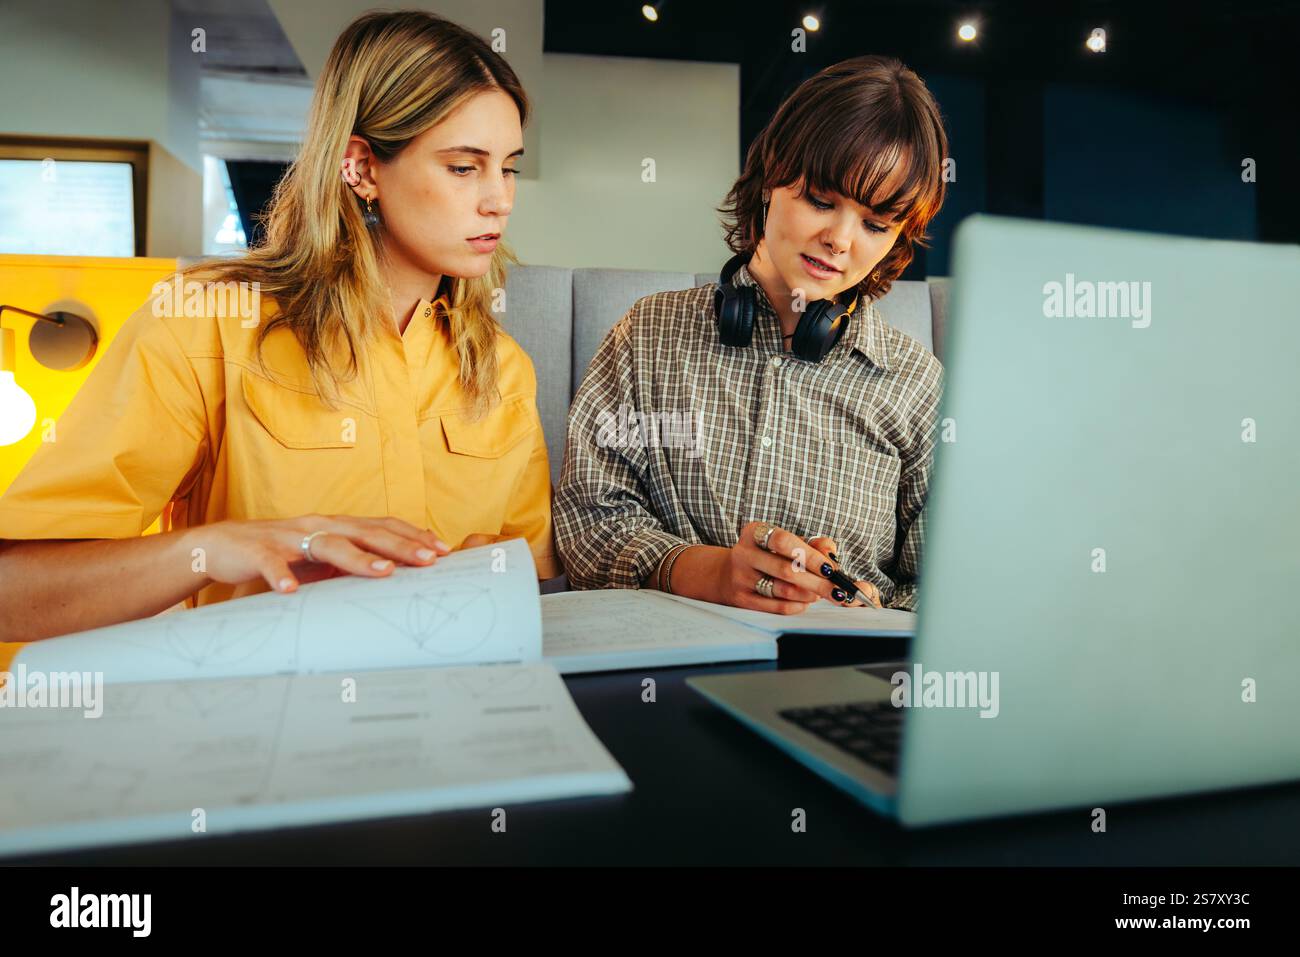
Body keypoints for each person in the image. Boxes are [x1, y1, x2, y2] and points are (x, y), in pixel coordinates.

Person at [0, 11, 557, 643]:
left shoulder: (504, 369)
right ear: (363, 168)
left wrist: (493, 574)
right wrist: (217, 547)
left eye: (507, 167)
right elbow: (14, 594)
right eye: (464, 167)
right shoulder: (206, 325)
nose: (500, 199)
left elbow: (529, 583)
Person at [554, 55, 948, 615]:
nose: (840, 238)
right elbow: (587, 522)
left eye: (875, 224)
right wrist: (707, 573)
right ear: (770, 181)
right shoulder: (647, 336)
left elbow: (945, 592)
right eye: (820, 200)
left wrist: (864, 610)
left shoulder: (918, 386)